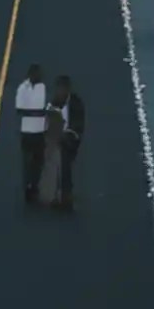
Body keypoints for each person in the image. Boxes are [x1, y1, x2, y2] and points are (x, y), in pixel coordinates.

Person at [15, 64, 47, 202]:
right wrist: (38, 113)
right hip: (27, 131)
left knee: (38, 161)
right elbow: (19, 110)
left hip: (40, 131)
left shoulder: (42, 87)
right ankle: (28, 187)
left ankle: (34, 185)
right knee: (28, 161)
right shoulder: (23, 88)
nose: (39, 76)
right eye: (37, 74)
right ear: (30, 75)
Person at [55, 75, 86, 211]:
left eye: (62, 89)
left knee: (65, 162)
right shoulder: (55, 102)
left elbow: (78, 125)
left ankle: (66, 197)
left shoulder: (76, 103)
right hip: (57, 137)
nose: (60, 92)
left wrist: (68, 135)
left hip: (71, 139)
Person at [38, 103, 65, 206]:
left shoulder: (51, 117)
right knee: (54, 168)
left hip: (51, 143)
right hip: (53, 144)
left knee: (52, 168)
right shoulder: (57, 117)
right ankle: (51, 196)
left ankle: (49, 195)